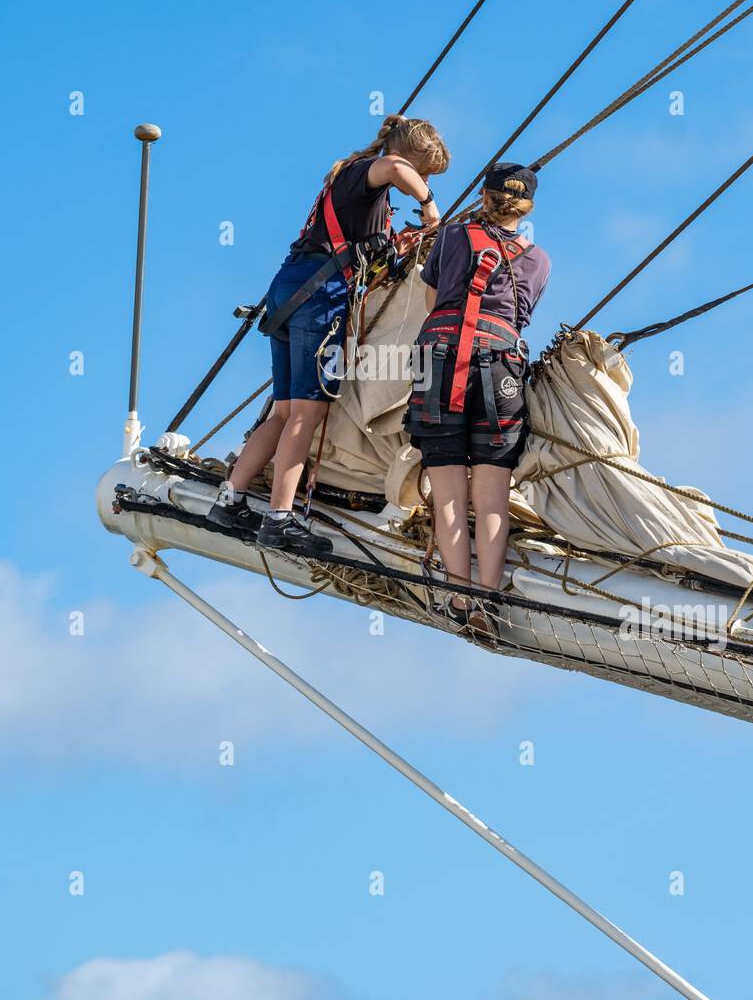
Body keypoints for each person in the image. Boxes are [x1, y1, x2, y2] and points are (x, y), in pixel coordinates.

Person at [208, 115, 450, 556]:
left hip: (291, 289)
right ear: (412, 157)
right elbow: (396, 167)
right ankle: (280, 519)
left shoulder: (352, 182)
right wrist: (430, 203)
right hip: (319, 297)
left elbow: (364, 246)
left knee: (283, 413)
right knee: (307, 413)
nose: (425, 180)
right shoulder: (371, 172)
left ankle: (229, 500)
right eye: (427, 170)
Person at [405, 162, 550, 630]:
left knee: (447, 493)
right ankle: (487, 600)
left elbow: (432, 302)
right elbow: (519, 319)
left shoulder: (450, 237)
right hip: (501, 368)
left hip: (439, 361)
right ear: (526, 207)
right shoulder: (539, 260)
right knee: (491, 499)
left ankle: (458, 597)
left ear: (484, 197)